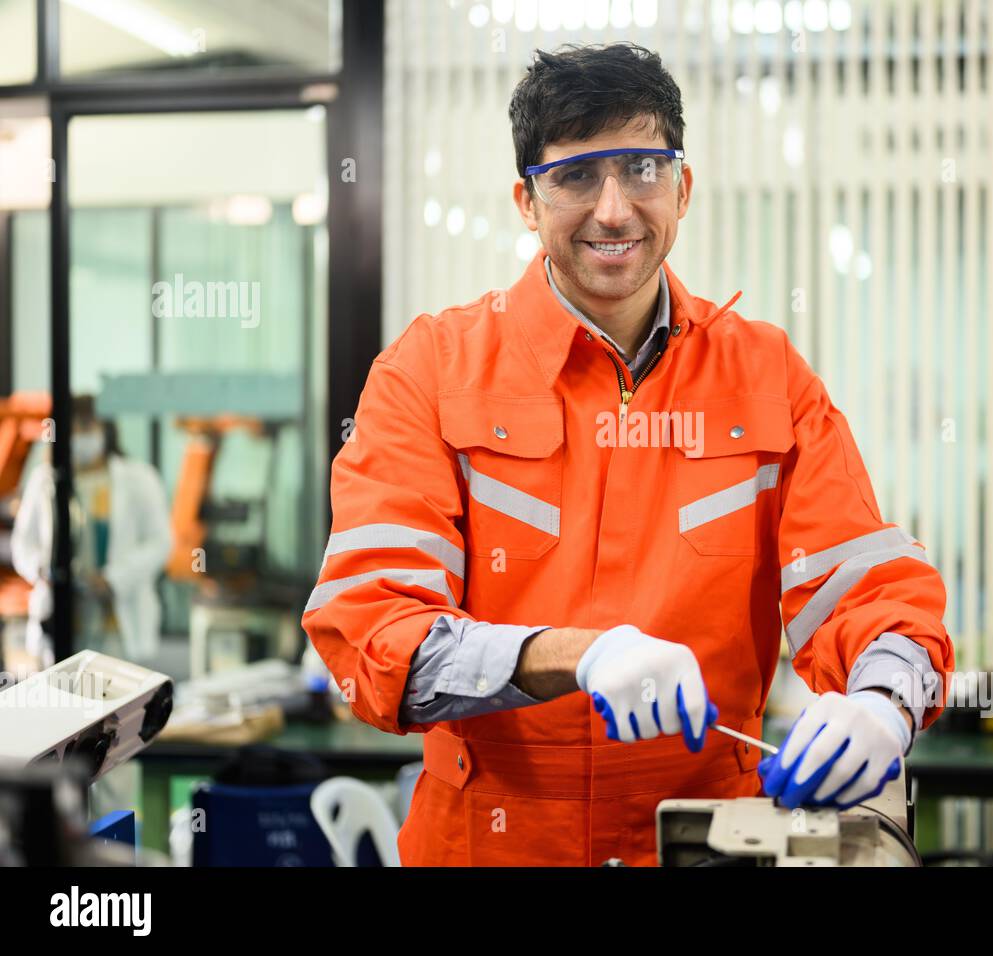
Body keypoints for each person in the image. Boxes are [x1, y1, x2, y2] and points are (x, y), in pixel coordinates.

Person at [302, 43, 952, 866]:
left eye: (643, 168)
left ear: (683, 188)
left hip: (712, 847)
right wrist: (575, 656)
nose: (614, 209)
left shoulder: (767, 378)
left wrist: (883, 701)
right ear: (526, 202)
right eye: (575, 176)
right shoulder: (428, 374)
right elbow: (372, 634)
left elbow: (872, 590)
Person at [12, 394, 172, 663]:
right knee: (63, 693)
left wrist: (114, 578)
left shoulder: (139, 479)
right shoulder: (46, 479)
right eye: (71, 428)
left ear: (106, 429)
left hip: (117, 618)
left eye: (86, 427)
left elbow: (160, 543)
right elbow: (22, 546)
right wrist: (44, 569)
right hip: (63, 614)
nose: (78, 436)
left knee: (116, 694)